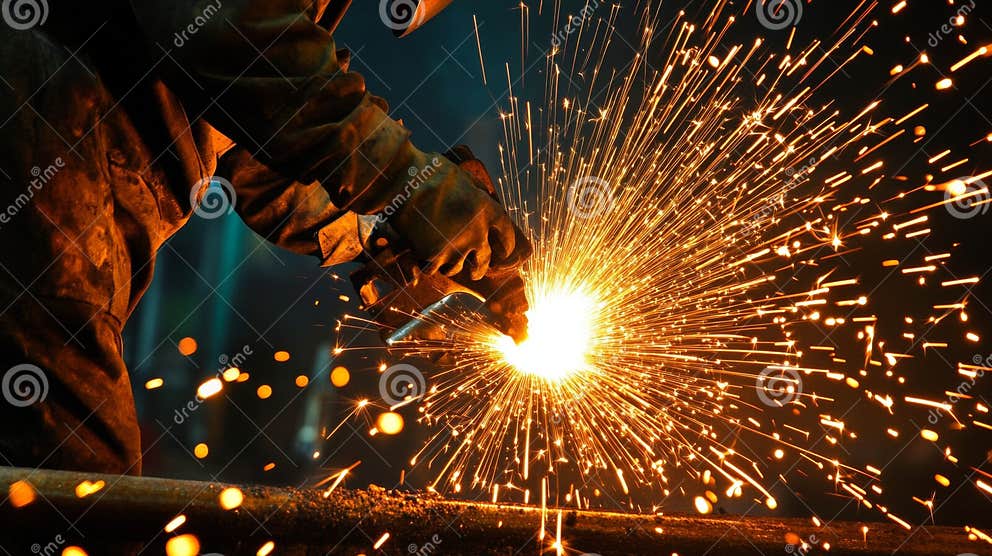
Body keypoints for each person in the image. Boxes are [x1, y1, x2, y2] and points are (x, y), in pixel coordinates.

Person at [0, 0, 530, 475]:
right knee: (78, 483)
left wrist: (386, 231)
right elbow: (240, 39)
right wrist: (415, 188)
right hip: (39, 139)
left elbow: (254, 138)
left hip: (63, 165)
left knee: (70, 480)